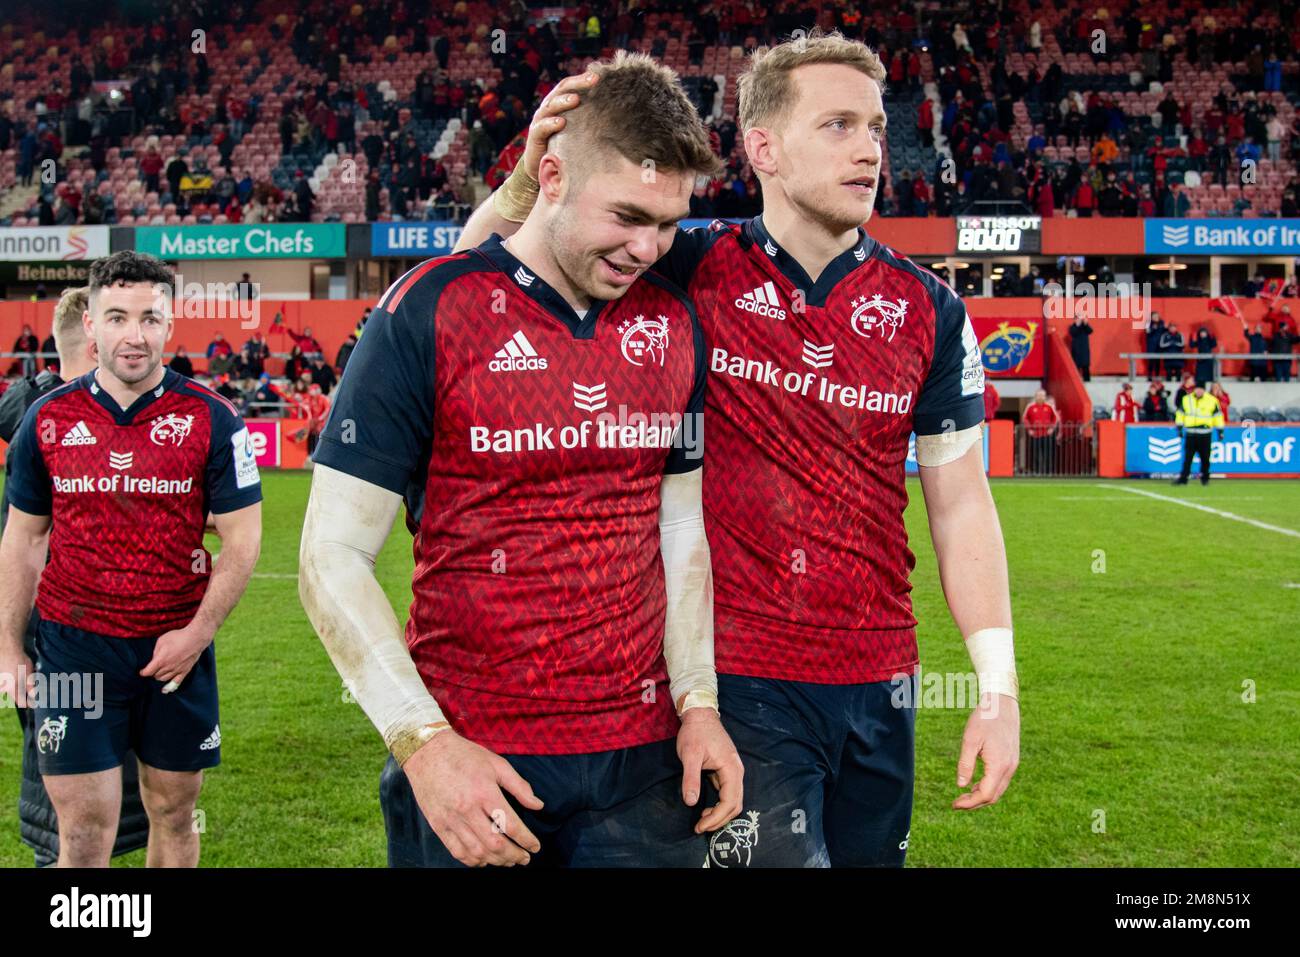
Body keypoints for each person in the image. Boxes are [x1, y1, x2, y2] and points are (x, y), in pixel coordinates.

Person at [458, 29, 1020, 867]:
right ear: (764, 147)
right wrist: (518, 184)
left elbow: (962, 501)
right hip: (737, 679)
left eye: (874, 127)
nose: (870, 147)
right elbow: (477, 287)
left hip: (881, 675)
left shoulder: (929, 309)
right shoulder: (690, 260)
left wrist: (999, 687)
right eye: (837, 126)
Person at [300, 53, 742, 869]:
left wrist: (700, 702)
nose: (648, 246)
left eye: (669, 222)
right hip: (473, 759)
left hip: (642, 764)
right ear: (552, 175)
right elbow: (330, 555)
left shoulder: (675, 324)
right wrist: (424, 743)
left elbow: (681, 529)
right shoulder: (426, 310)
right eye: (627, 215)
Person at [0, 251, 262, 867]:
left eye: (150, 318)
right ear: (90, 325)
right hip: (73, 647)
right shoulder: (48, 419)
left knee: (173, 813)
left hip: (172, 650)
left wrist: (196, 636)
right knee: (84, 831)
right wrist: (11, 648)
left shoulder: (214, 420)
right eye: (117, 317)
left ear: (170, 323)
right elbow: (24, 539)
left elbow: (243, 539)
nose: (134, 335)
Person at [0, 287, 150, 867]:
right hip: (75, 628)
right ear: (95, 338)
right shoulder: (75, 421)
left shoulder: (27, 403)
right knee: (75, 795)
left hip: (39, 624)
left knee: (63, 774)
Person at [1173, 381, 1225, 486]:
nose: (1199, 391)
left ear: (1204, 390)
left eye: (1201, 389)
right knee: (1188, 458)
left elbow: (1218, 416)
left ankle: (1205, 478)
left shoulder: (1212, 400)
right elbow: (1180, 414)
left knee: (1205, 458)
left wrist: (1220, 431)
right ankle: (1184, 478)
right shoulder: (1186, 399)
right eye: (1197, 389)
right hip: (1191, 433)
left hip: (1205, 433)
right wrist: (1179, 428)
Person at [1023, 388, 1059, 474]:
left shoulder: (1049, 407)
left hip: (1047, 434)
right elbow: (1025, 418)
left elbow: (1055, 418)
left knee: (1048, 454)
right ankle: (1036, 471)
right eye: (1039, 395)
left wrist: (1051, 428)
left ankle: (1048, 471)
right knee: (1035, 454)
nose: (1040, 397)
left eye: (1042, 395)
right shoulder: (1030, 407)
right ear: (1035, 396)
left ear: (1045, 397)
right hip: (1035, 434)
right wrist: (1029, 429)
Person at [1068, 314, 1093, 381]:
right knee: (1076, 367)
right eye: (1078, 319)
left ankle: (1087, 380)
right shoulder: (1072, 327)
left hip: (1084, 350)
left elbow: (1090, 331)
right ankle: (1076, 381)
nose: (1080, 320)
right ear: (1075, 319)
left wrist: (1085, 323)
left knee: (1086, 366)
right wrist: (1078, 324)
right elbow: (1073, 333)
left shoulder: (1085, 327)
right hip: (1076, 351)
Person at [1271, 318, 1295, 382]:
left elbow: (1296, 339)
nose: (1287, 327)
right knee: (1278, 377)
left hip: (1287, 360)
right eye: (1286, 326)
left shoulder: (1289, 335)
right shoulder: (1275, 336)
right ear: (1282, 327)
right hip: (1278, 360)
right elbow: (1272, 345)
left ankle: (1287, 391)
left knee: (1287, 377)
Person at [1144, 312, 1166, 379]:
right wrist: (1153, 328)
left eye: (1157, 316)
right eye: (1154, 316)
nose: (1156, 318)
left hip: (1159, 345)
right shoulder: (1148, 323)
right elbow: (1147, 332)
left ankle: (1157, 376)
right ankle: (1150, 376)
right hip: (1151, 345)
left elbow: (1164, 331)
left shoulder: (1162, 323)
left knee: (1158, 361)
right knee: (1151, 361)